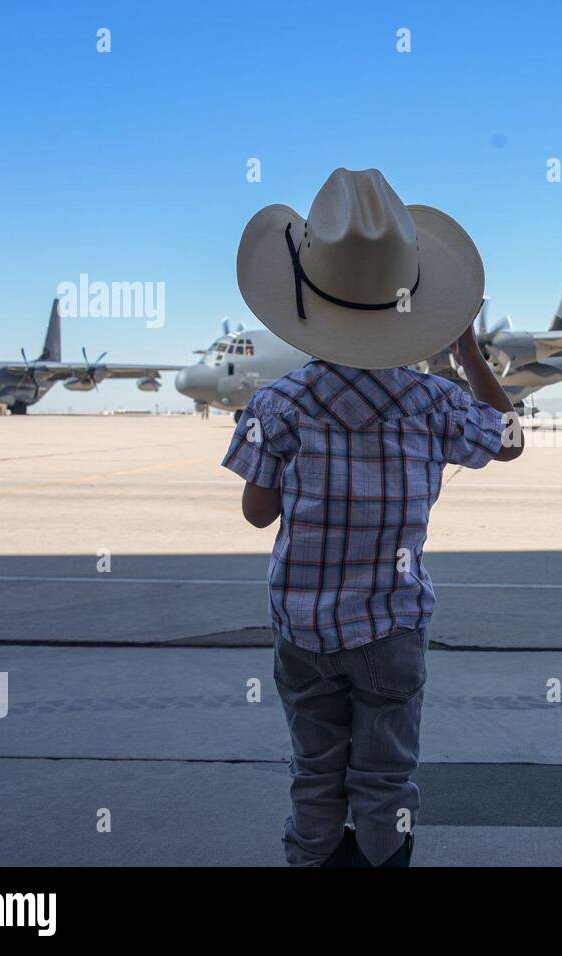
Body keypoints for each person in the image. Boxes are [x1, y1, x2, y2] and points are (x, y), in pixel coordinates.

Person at [223, 168, 523, 867]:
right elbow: (509, 441)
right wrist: (467, 349)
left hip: (303, 630)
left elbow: (255, 513)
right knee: (387, 781)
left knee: (314, 774)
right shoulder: (431, 403)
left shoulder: (277, 404)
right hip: (391, 627)